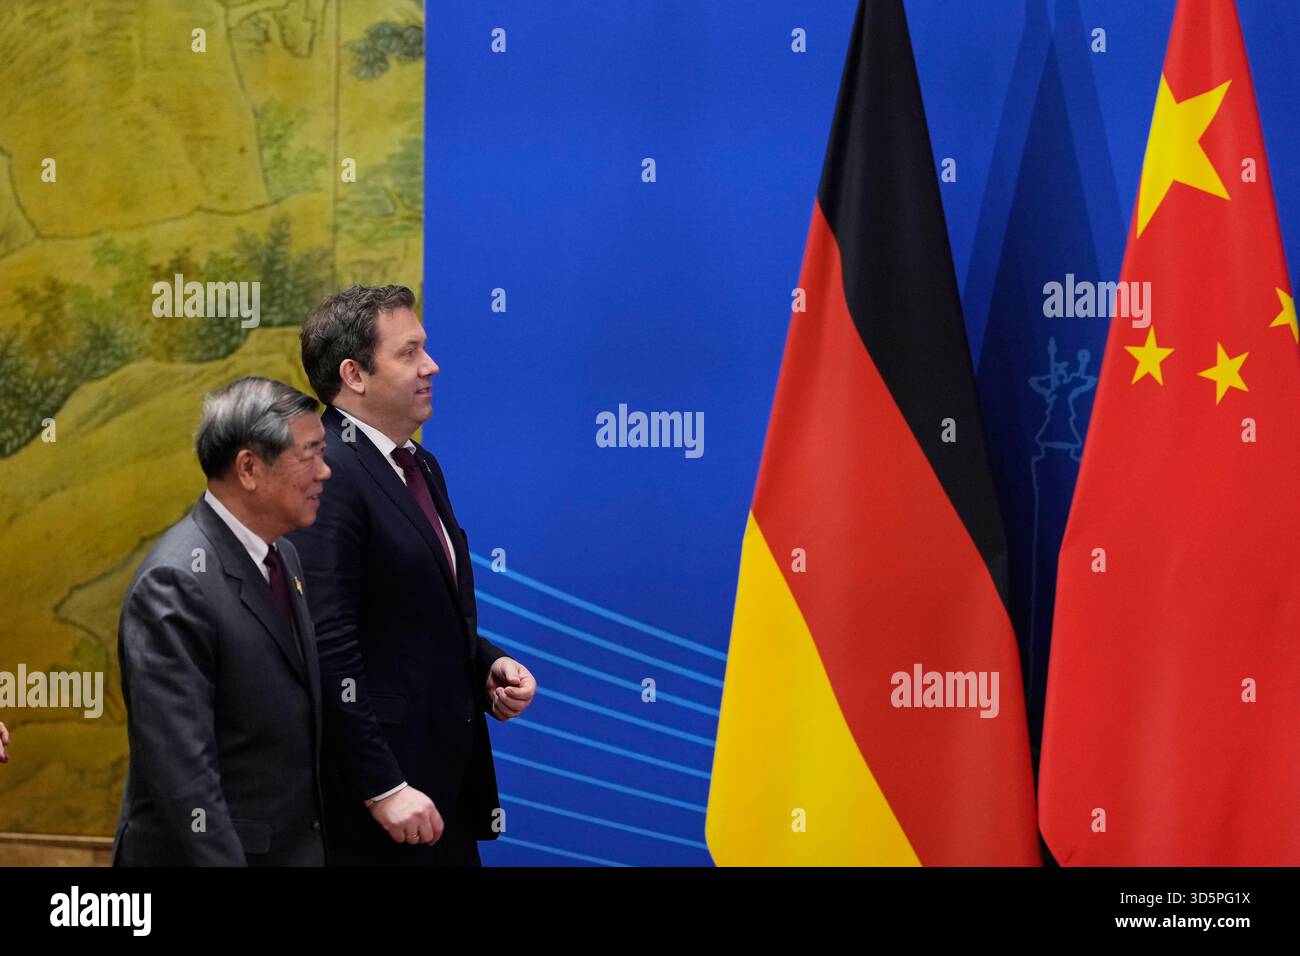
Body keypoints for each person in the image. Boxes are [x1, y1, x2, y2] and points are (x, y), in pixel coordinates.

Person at [290, 284, 536, 866]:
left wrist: (485, 665)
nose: (432, 365)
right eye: (409, 353)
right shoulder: (326, 471)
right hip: (380, 808)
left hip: (443, 787)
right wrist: (382, 787)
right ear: (354, 373)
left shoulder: (419, 462)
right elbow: (327, 642)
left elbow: (409, 610)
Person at [113, 377, 331, 866]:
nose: (325, 472)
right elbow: (186, 784)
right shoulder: (175, 584)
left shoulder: (284, 558)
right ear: (249, 468)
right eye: (310, 453)